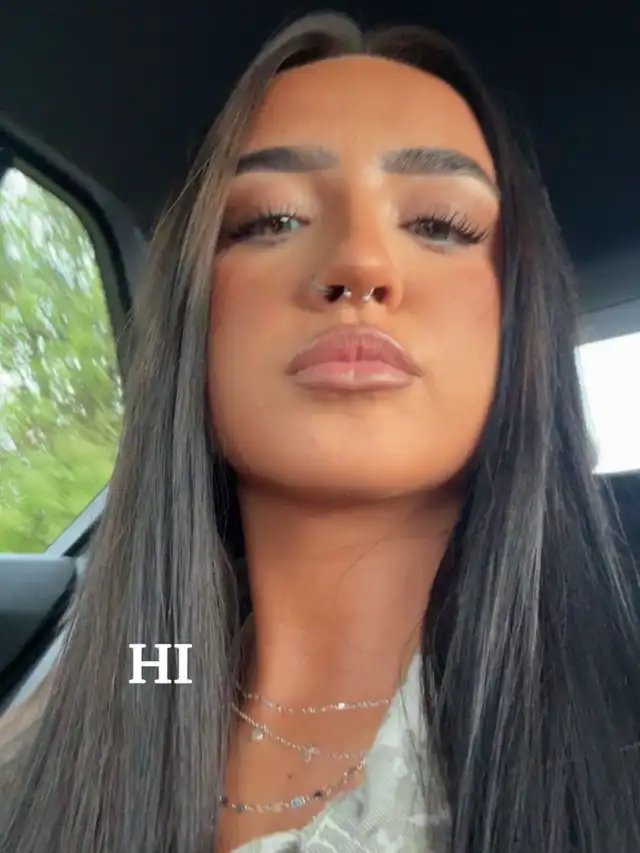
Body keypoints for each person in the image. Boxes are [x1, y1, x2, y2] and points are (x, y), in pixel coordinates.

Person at [1, 11, 639, 853]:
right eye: (271, 219)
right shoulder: (140, 669)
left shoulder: (614, 713)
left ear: (521, 315)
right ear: (193, 316)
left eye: (440, 225)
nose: (360, 265)